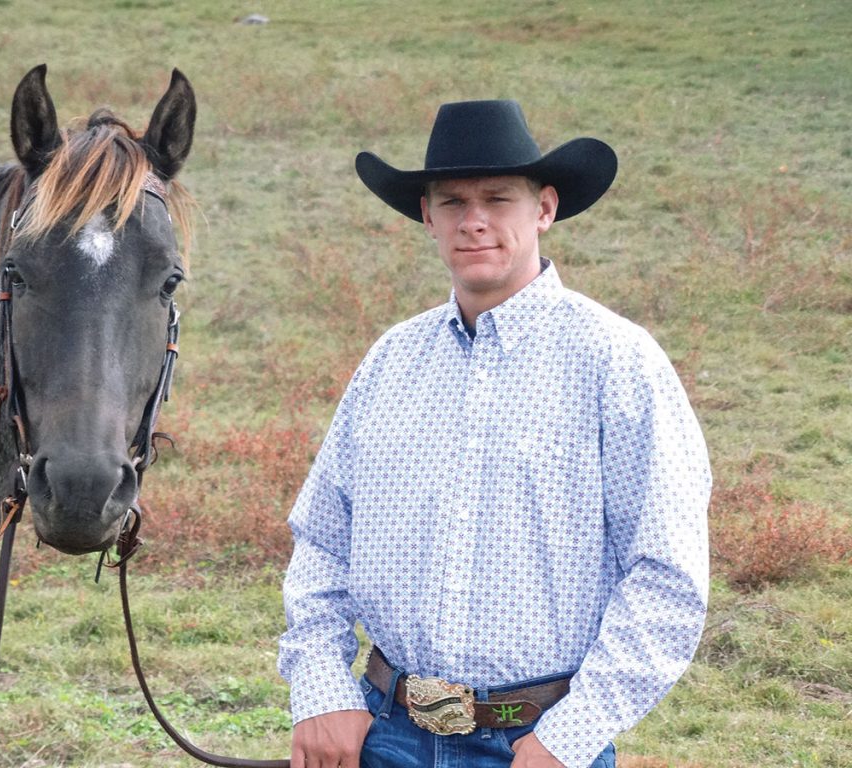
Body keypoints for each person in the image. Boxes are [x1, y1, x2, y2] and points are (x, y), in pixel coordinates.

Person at [277, 99, 711, 768]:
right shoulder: (391, 361)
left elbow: (667, 573)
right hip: (383, 734)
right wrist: (321, 688)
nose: (473, 220)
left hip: (536, 743)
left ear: (544, 209)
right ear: (428, 217)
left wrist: (568, 740)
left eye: (498, 199)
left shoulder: (617, 362)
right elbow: (324, 541)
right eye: (452, 202)